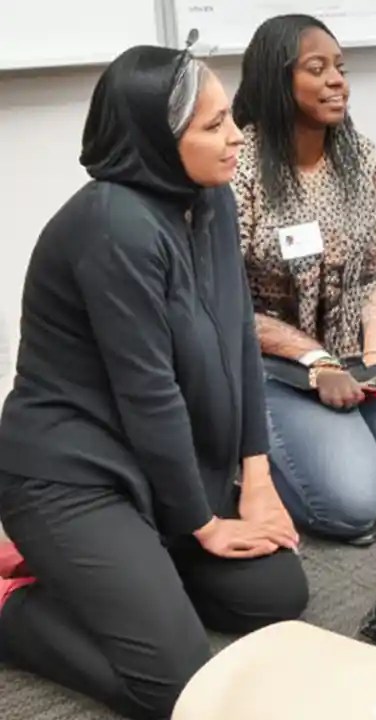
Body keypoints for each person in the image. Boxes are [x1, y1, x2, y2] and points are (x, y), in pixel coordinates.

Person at [0, 46, 309, 719]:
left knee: (275, 595)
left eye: (231, 117)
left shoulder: (211, 199)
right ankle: (11, 609)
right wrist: (201, 522)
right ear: (155, 138)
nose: (236, 137)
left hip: (160, 468)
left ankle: (116, 576)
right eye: (213, 125)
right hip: (73, 478)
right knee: (175, 684)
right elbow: (150, 396)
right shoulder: (114, 226)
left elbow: (237, 337)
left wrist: (255, 480)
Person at [231, 14, 376, 545]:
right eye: (318, 68)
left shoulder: (361, 158)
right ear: (276, 79)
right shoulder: (239, 168)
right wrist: (317, 362)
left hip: (353, 343)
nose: (338, 80)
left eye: (341, 67)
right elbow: (226, 304)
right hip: (274, 362)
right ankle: (245, 466)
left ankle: (343, 430)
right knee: (352, 506)